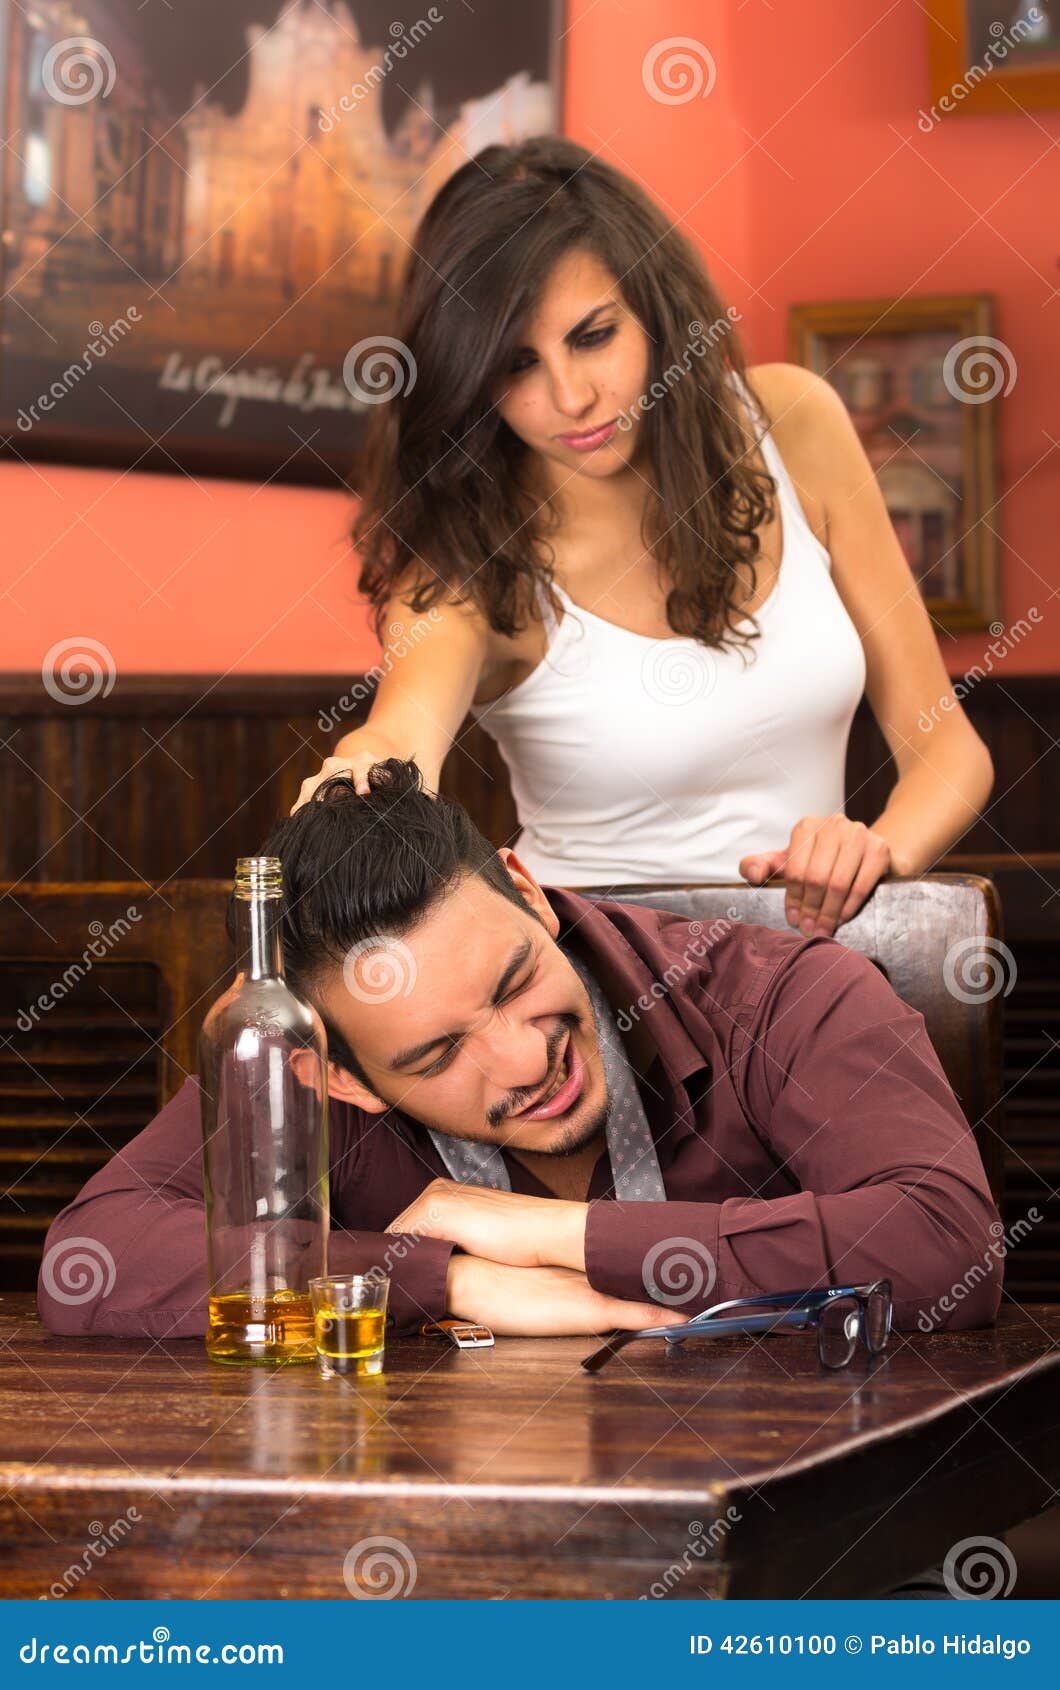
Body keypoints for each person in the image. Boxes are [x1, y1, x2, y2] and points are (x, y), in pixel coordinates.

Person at [294, 134, 993, 942]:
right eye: (515, 365)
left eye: (594, 336)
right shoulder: (467, 562)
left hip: (815, 974)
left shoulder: (795, 424)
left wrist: (871, 853)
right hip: (600, 996)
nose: (572, 396)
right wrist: (360, 773)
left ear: (657, 314)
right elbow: (397, 737)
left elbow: (948, 748)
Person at [37, 762, 1002, 1345]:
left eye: (511, 985)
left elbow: (946, 1247)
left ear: (526, 890)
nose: (522, 1062)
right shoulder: (305, 1058)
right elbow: (92, 1256)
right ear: (337, 1075)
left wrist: (537, 1236)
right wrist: (444, 1275)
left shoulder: (783, 992)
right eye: (437, 1053)